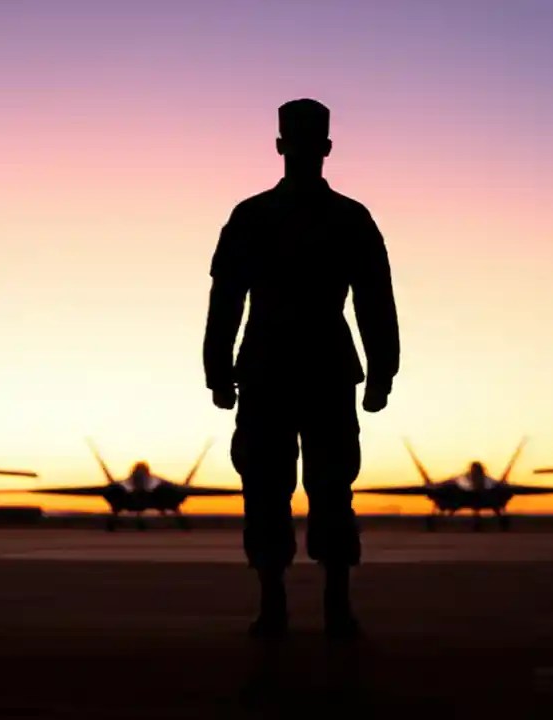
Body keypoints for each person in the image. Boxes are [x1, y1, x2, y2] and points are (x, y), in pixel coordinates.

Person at [203, 98, 400, 639]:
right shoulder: (348, 218)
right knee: (320, 487)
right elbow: (375, 305)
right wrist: (382, 372)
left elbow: (226, 305)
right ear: (325, 148)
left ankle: (284, 607)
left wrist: (218, 370)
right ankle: (323, 606)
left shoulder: (254, 216)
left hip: (273, 369)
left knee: (288, 488)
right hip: (315, 370)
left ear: (280, 146)